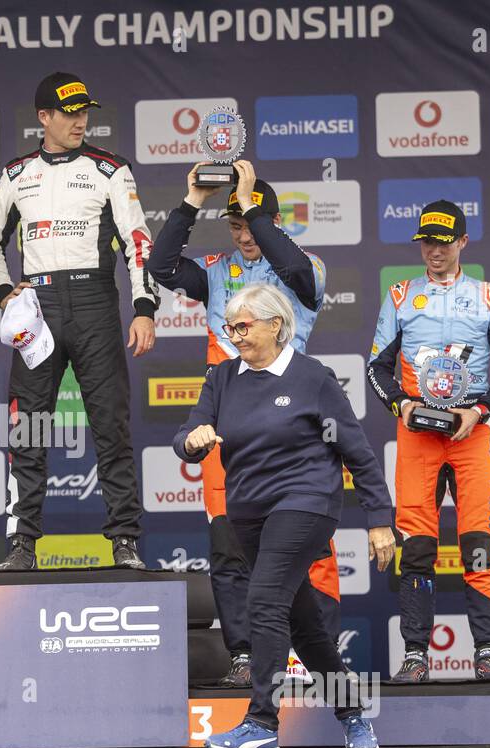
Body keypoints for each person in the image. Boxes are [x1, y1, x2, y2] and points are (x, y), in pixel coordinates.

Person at [175, 284, 396, 748]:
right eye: (229, 326)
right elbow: (187, 435)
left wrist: (379, 519)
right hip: (250, 516)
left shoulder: (312, 377)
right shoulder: (222, 379)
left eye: (243, 325)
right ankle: (354, 715)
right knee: (305, 625)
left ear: (276, 325)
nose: (234, 335)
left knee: (264, 599)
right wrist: (193, 441)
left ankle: (261, 723)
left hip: (306, 504)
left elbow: (357, 452)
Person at [150, 158, 339, 689]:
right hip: (231, 414)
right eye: (234, 225)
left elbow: (296, 273)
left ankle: (313, 659)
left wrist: (254, 208)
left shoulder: (305, 267)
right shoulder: (217, 272)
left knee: (305, 543)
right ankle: (243, 654)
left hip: (293, 416)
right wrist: (190, 202)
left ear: (272, 221)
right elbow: (162, 268)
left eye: (251, 223)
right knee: (228, 539)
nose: (243, 235)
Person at [0, 71, 160, 571]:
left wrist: (144, 308)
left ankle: (124, 540)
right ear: (44, 117)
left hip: (94, 304)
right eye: (69, 112)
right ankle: (23, 545)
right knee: (30, 427)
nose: (80, 120)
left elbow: (138, 243)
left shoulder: (111, 169)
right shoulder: (16, 173)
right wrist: (3, 291)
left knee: (110, 426)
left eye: (85, 111)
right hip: (38, 309)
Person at [367, 200, 490, 682]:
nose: (433, 250)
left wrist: (476, 412)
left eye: (443, 241)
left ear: (462, 242)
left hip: (472, 435)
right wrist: (403, 406)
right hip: (417, 436)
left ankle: (487, 651)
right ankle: (416, 654)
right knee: (416, 548)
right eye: (426, 242)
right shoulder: (398, 296)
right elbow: (377, 368)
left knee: (479, 544)